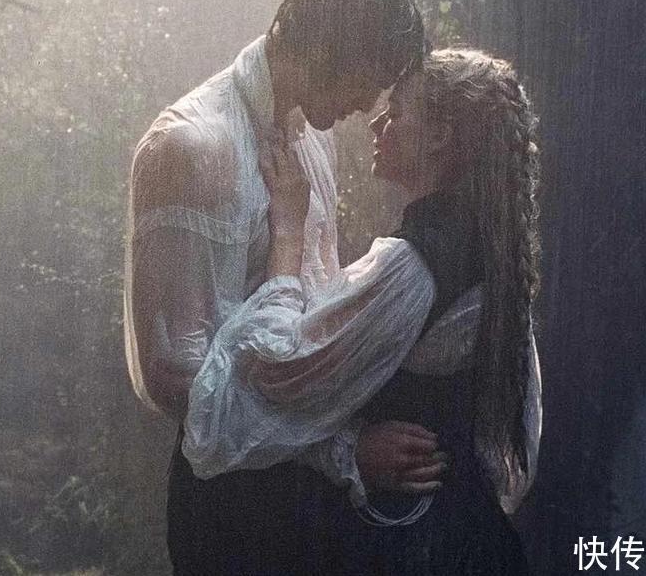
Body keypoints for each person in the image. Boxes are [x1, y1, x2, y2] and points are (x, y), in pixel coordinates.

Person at [124, 0, 443, 574]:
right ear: (330, 49)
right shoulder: (189, 147)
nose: (370, 103)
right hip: (230, 506)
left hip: (311, 502)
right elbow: (176, 380)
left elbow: (309, 317)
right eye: (371, 78)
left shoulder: (312, 134)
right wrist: (344, 450)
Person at [184, 47, 543, 574]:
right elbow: (512, 455)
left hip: (415, 545)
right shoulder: (492, 247)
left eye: (396, 112)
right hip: (468, 534)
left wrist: (288, 231)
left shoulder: (414, 265)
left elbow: (278, 369)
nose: (376, 123)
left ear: (439, 137)